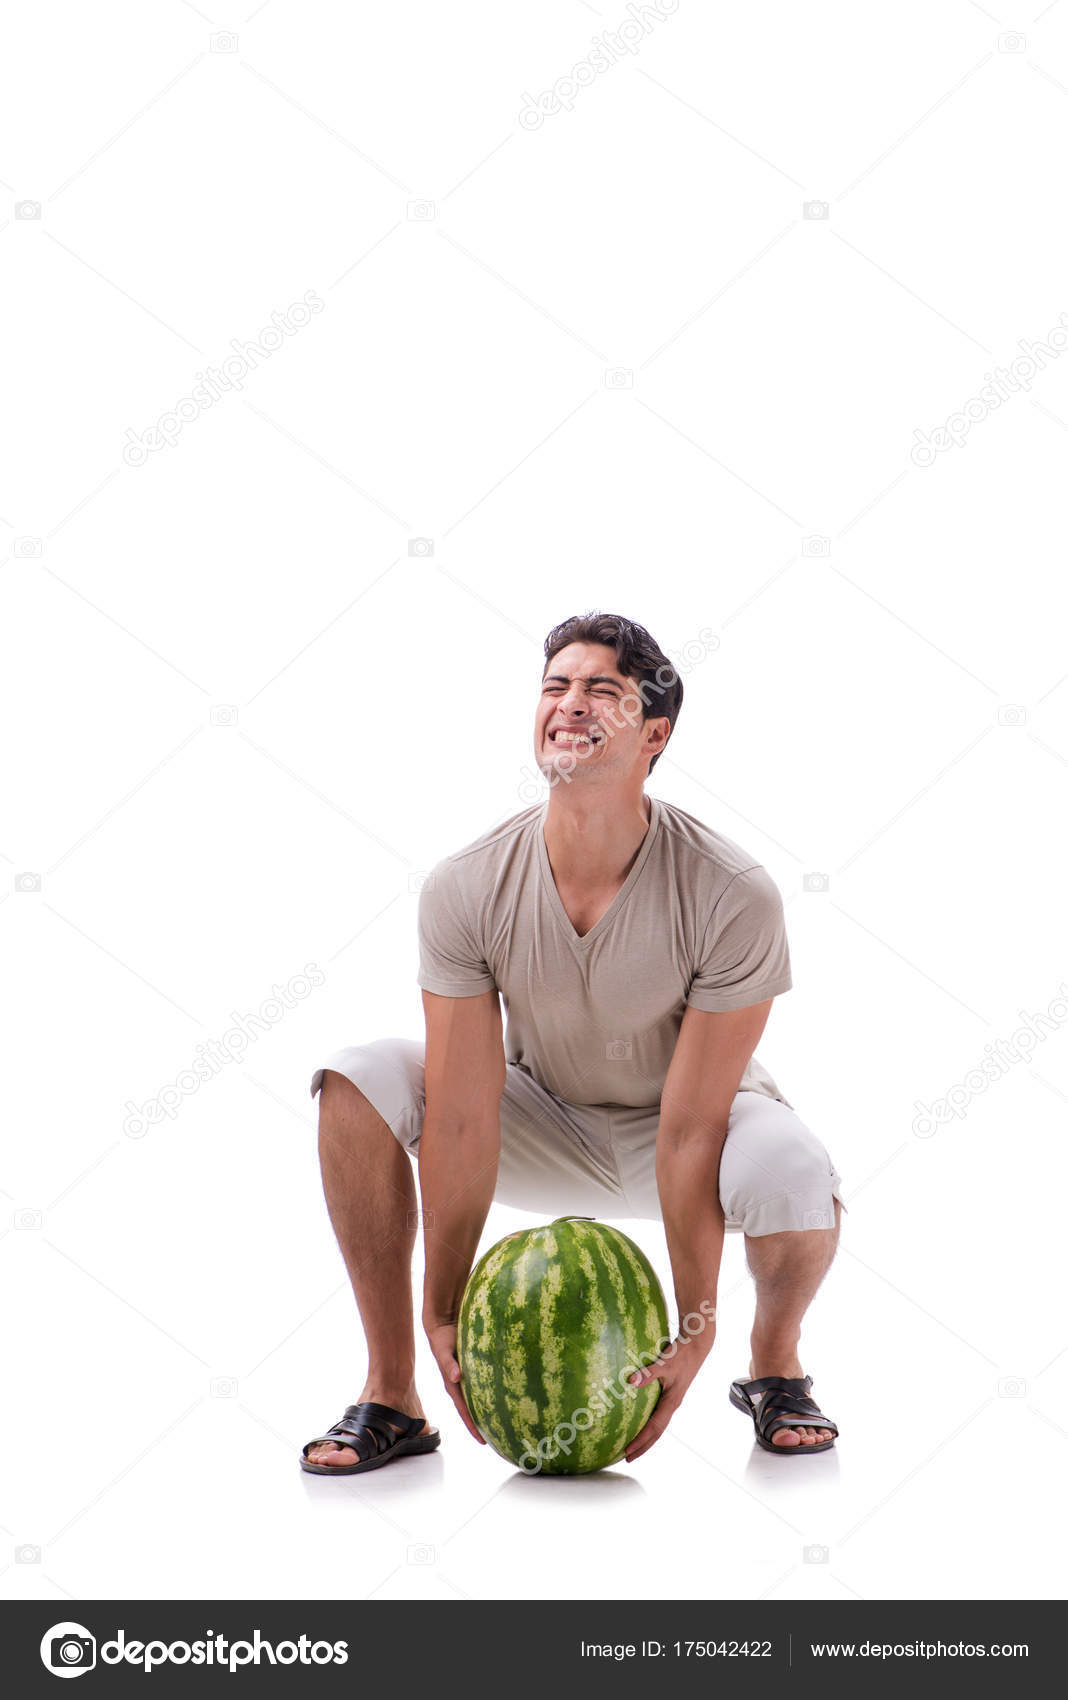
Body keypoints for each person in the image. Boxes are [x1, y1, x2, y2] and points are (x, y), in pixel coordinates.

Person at [300, 611, 845, 1475]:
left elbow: (693, 1127)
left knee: (794, 1169)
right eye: (556, 685)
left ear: (653, 733)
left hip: (693, 1127)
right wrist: (442, 1310)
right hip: (543, 1114)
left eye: (604, 691)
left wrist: (692, 1329)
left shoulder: (733, 892)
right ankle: (393, 1393)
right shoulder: (467, 884)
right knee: (358, 1076)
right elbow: (465, 1113)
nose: (570, 703)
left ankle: (773, 1367)